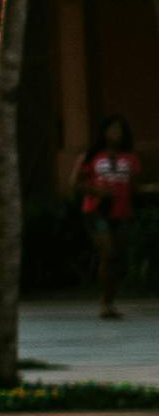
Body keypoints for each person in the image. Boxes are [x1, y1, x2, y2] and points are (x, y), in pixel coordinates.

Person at [82, 116, 138, 322]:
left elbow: (134, 186)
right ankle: (105, 304)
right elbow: (76, 184)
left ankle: (110, 301)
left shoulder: (130, 158)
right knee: (108, 253)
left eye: (119, 130)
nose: (116, 134)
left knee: (117, 258)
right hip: (97, 210)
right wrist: (98, 192)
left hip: (121, 212)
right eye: (112, 129)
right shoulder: (92, 156)